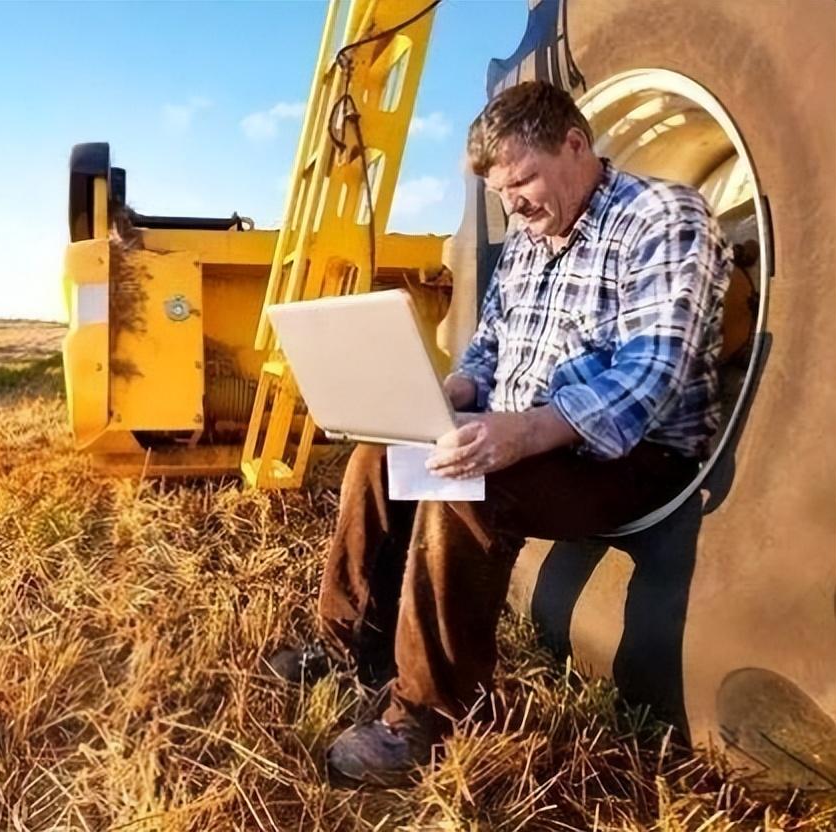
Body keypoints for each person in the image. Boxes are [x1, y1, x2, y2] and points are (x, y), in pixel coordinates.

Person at [269, 80, 733, 786]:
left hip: (636, 455)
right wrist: (445, 395)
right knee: (378, 456)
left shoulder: (664, 217)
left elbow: (653, 373)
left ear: (576, 145)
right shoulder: (527, 237)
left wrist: (522, 433)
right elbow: (488, 350)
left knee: (468, 486)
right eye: (501, 191)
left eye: (522, 181)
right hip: (528, 434)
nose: (512, 203)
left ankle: (430, 718)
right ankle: (346, 646)